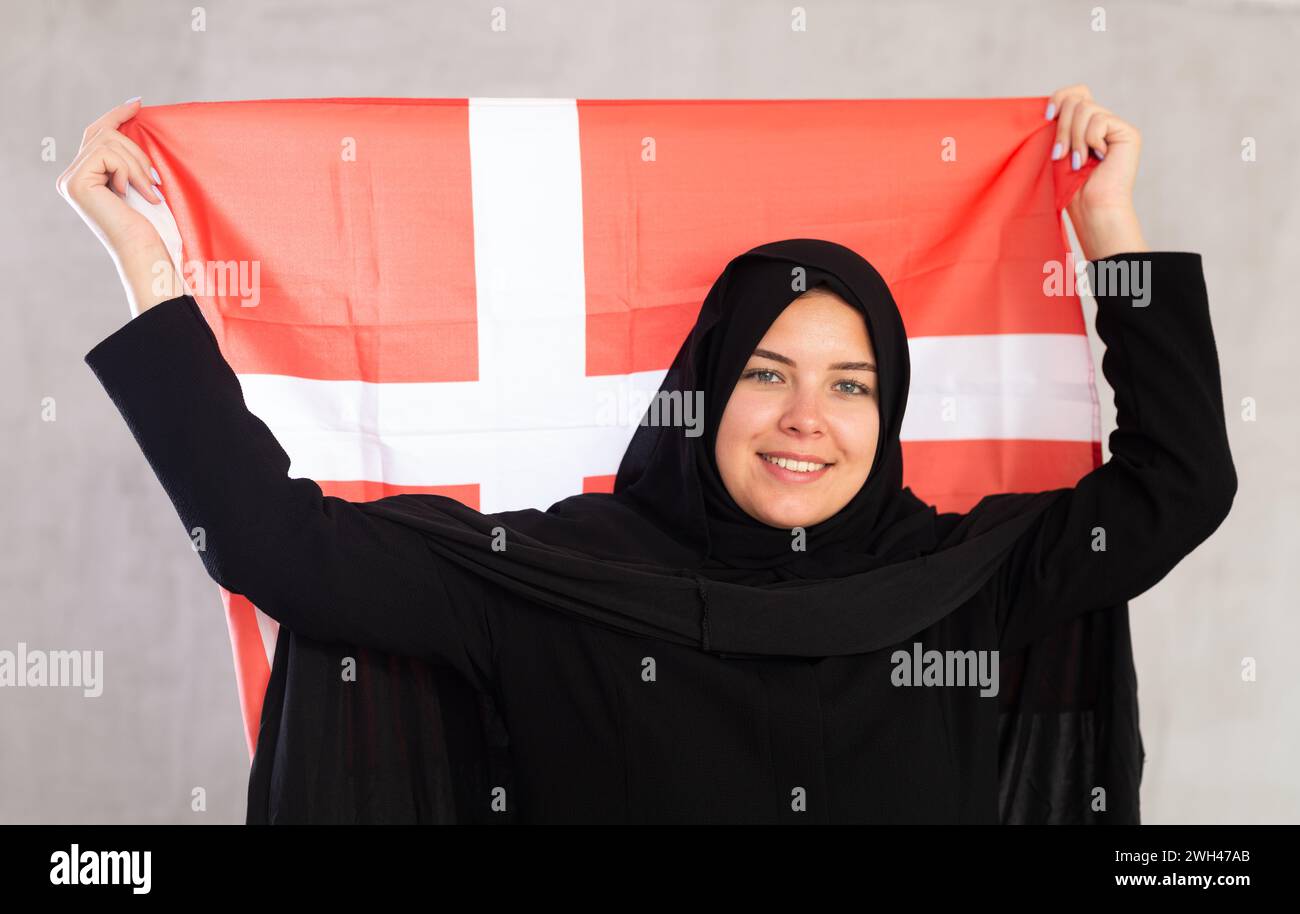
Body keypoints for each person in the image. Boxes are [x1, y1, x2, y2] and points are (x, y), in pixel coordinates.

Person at [59, 86, 1237, 823]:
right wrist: (151, 275)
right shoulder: (558, 580)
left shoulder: (967, 581)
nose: (804, 418)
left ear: (887, 418)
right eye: (765, 375)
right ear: (705, 394)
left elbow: (1177, 485)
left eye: (850, 384)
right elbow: (275, 546)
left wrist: (1109, 229)